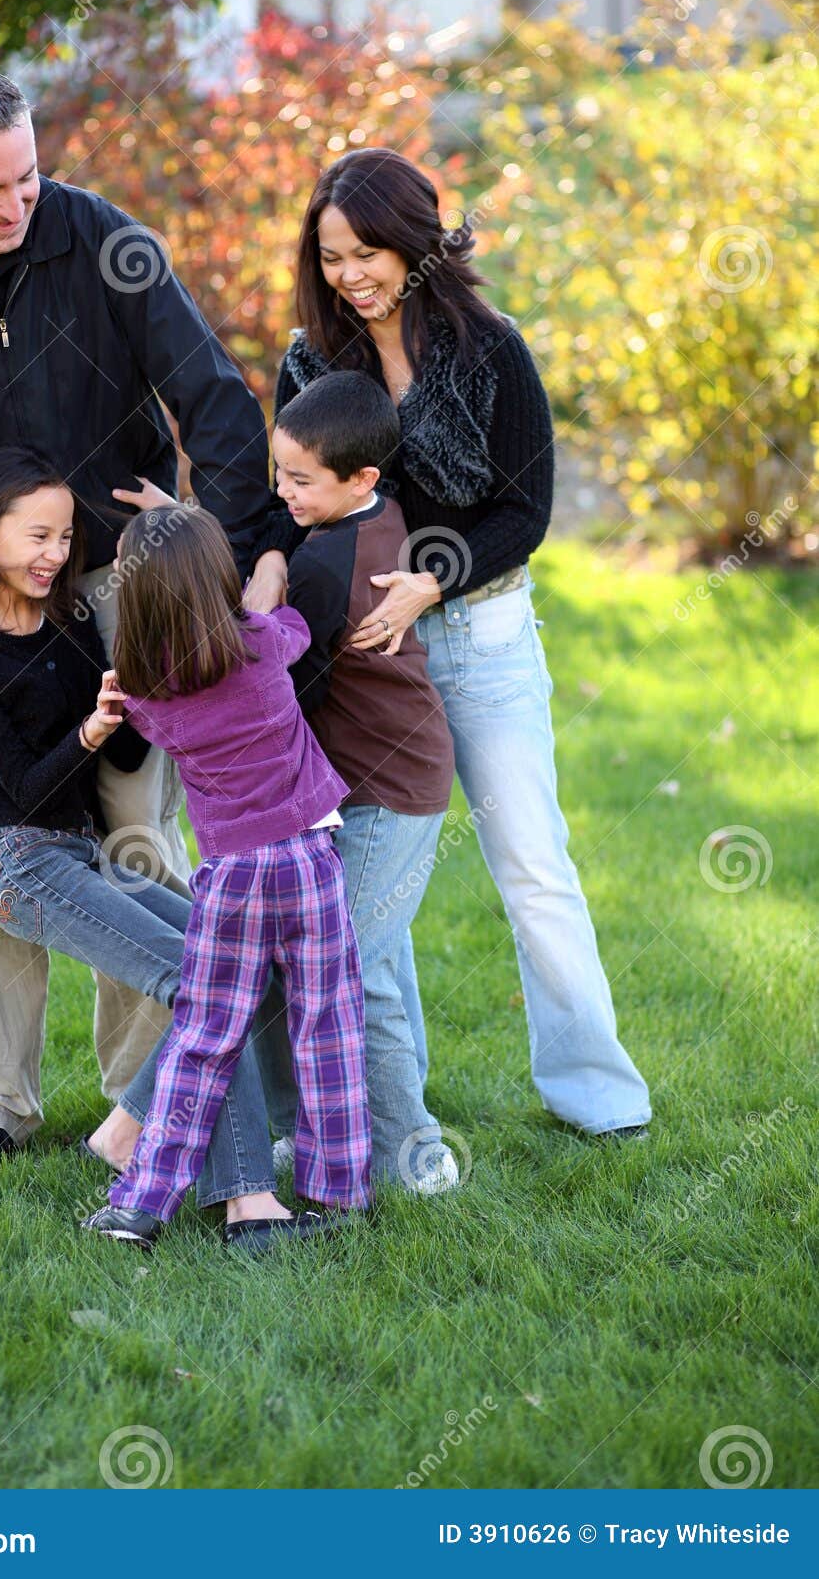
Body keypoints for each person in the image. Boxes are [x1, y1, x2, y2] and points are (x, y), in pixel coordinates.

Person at [0, 64, 285, 1168]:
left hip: (119, 587)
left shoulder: (99, 240)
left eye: (26, 176)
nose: (15, 205)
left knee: (131, 837)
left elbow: (213, 398)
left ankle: (141, 1092)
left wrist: (217, 553)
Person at [254, 147, 651, 1139]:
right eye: (333, 255)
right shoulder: (311, 361)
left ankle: (597, 1096)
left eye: (369, 253)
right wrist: (264, 573)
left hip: (478, 635)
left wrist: (434, 576)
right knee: (372, 888)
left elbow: (526, 510)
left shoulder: (489, 348)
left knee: (529, 860)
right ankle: (395, 1121)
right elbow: (293, 498)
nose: (350, 276)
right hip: (362, 663)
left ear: (413, 244)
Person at [0, 445, 301, 1254]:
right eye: (37, 537)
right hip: (21, 865)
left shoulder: (70, 626)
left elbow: (116, 761)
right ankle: (247, 1206)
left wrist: (133, 695)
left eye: (65, 537)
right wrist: (88, 728)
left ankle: (126, 1131)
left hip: (79, 855)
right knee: (207, 982)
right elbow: (17, 789)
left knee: (242, 965)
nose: (56, 555)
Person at [84, 504, 371, 1249]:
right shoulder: (262, 643)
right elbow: (294, 627)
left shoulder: (147, 698)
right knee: (328, 1025)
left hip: (231, 881)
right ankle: (338, 1191)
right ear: (220, 580)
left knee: (205, 1037)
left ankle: (140, 1202)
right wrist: (271, 570)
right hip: (308, 861)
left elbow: (148, 692)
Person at [258, 370, 461, 1192]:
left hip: (383, 788)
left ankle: (414, 1155)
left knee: (345, 969)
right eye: (280, 474)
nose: (283, 493)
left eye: (300, 481)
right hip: (391, 776)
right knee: (368, 956)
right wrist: (280, 536)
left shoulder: (325, 566)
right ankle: (311, 1128)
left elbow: (278, 687)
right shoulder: (379, 519)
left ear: (361, 478)